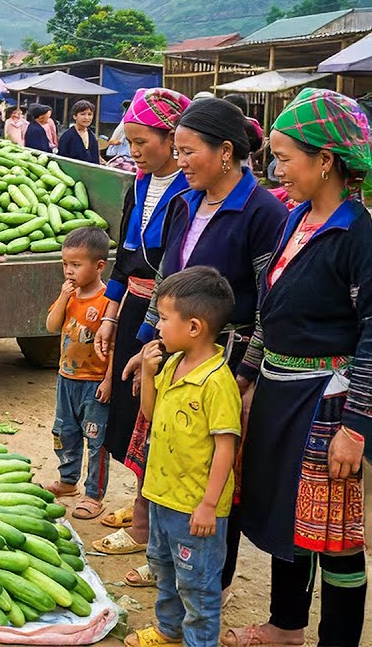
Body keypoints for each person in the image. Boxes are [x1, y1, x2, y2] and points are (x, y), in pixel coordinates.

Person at [117, 97, 288, 597]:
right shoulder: (185, 201)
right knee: (167, 456)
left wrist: (246, 374)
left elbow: (267, 303)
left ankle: (210, 579)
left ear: (227, 152)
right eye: (180, 149)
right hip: (176, 355)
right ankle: (167, 562)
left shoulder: (262, 212)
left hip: (224, 362)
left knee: (214, 469)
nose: (182, 160)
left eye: (190, 151)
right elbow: (169, 279)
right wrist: (147, 342)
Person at [224, 88, 372, 647]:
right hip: (279, 391)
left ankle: (338, 639)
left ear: (326, 160)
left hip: (329, 403)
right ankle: (287, 626)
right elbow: (269, 309)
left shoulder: (359, 234)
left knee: (333, 535)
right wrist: (247, 376)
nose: (275, 168)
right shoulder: (295, 220)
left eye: (285, 158)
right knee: (290, 517)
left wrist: (355, 428)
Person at [90, 88, 193, 578]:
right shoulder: (137, 185)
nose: (133, 152)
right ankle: (141, 506)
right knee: (132, 414)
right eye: (128, 143)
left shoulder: (188, 192)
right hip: (133, 306)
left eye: (141, 142)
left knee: (158, 416)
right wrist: (110, 313)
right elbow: (123, 256)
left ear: (172, 138)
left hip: (168, 317)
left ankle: (147, 527)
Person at [124, 267, 240, 647]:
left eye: (163, 318)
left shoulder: (217, 383)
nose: (156, 326)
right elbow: (149, 414)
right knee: (163, 567)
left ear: (194, 327)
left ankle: (198, 641)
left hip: (195, 509)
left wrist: (209, 504)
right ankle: (168, 630)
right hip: (160, 495)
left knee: (198, 584)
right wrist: (148, 370)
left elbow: (226, 446)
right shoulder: (172, 364)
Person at [44, 226, 113, 520]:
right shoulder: (69, 296)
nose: (68, 271)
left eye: (76, 265)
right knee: (65, 432)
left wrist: (109, 380)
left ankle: (94, 495)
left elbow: (114, 345)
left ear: (99, 266)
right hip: (66, 378)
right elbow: (51, 325)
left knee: (96, 439)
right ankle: (68, 481)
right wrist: (63, 297)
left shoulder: (109, 301)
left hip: (94, 382)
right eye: (65, 264)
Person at [58, 99, 100, 164]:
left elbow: (96, 161)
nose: (86, 118)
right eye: (82, 114)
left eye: (89, 114)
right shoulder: (67, 136)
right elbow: (61, 160)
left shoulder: (92, 137)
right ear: (75, 116)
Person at [105, 99, 133, 166]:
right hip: (119, 154)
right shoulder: (125, 122)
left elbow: (117, 141)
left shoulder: (128, 123)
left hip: (124, 155)